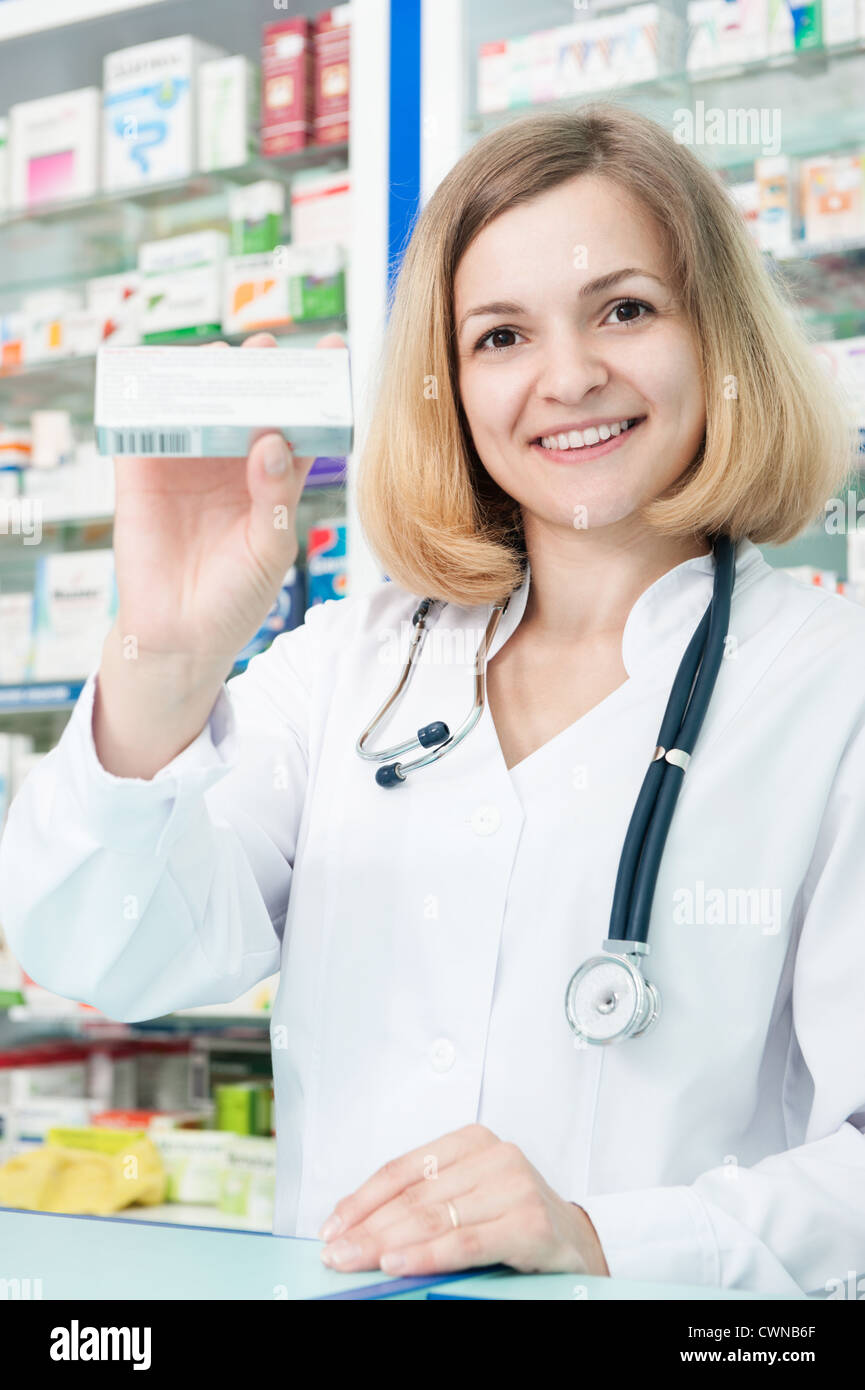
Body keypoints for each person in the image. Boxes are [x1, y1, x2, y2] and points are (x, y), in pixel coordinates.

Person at [1, 102, 863, 1296]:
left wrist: (605, 1239)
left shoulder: (832, 688)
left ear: (718, 338)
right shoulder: (352, 664)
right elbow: (100, 951)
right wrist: (163, 657)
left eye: (625, 308)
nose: (568, 377)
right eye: (500, 336)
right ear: (448, 386)